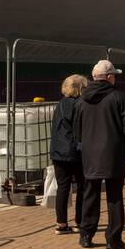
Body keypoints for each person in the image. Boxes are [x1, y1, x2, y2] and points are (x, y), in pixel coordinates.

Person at [73, 60, 125, 249]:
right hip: (114, 152)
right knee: (115, 196)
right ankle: (113, 238)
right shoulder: (119, 97)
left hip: (89, 155)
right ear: (109, 77)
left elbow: (77, 131)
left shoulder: (81, 100)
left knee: (90, 194)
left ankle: (86, 235)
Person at [49, 74, 87, 234]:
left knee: (63, 188)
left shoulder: (60, 104)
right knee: (83, 187)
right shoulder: (80, 105)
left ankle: (61, 223)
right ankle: (80, 220)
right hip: (75, 151)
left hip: (58, 151)